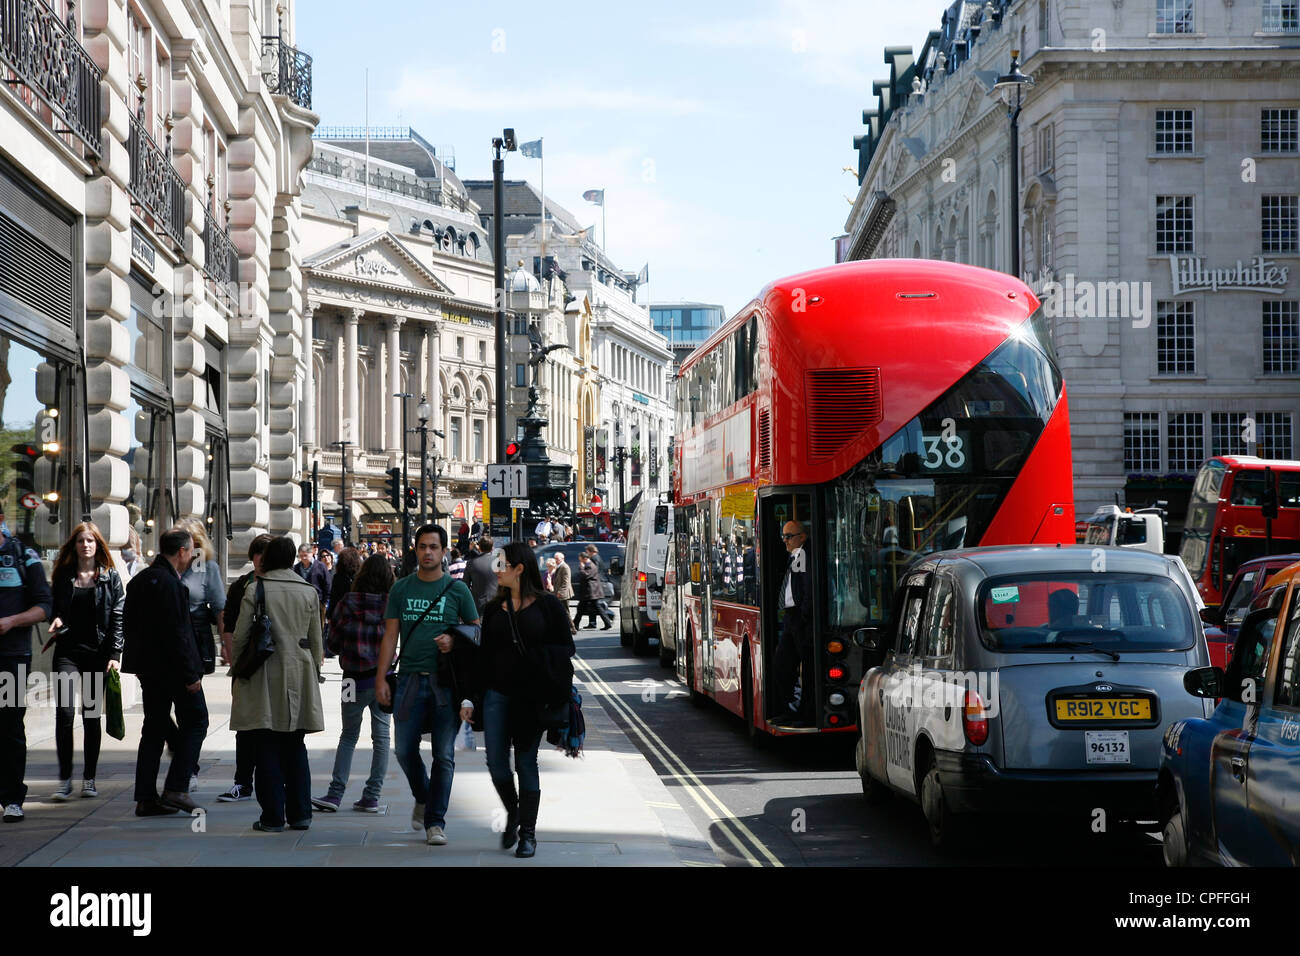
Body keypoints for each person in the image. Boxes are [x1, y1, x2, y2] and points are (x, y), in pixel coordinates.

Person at [374, 524, 480, 846]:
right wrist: (380, 677)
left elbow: (475, 633)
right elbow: (391, 635)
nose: (428, 552)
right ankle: (423, 795)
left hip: (445, 684)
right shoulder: (402, 589)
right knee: (404, 750)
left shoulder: (457, 590)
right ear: (415, 550)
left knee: (444, 755)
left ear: (444, 551)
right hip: (407, 680)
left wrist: (454, 640)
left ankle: (435, 822)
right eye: (422, 547)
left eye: (433, 547)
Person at [478, 542, 574, 858]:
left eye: (502, 564)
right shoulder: (493, 609)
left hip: (532, 698)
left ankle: (528, 836)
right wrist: (470, 697)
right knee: (495, 763)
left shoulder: (548, 606)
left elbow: (566, 650)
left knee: (524, 762)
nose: (497, 569)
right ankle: (513, 812)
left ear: (519, 568)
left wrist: (537, 659)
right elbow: (484, 655)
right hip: (496, 695)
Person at [230, 536, 324, 832]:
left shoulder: (257, 588)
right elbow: (316, 641)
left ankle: (272, 816)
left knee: (266, 743)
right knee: (295, 744)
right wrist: (316, 670)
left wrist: (237, 669)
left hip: (264, 671)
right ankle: (301, 814)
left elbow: (242, 634)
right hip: (299, 670)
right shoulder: (308, 590)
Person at [122, 528, 207, 816]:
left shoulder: (140, 581)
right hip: (173, 670)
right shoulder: (170, 585)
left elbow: (130, 626)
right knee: (197, 721)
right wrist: (190, 675)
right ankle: (177, 788)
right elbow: (177, 634)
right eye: (191, 551)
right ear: (182, 551)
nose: (191, 557)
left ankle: (146, 797)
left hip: (149, 669)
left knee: (154, 729)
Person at [46, 522, 124, 801]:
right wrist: (54, 619)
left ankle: (89, 778)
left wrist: (115, 654)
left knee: (91, 716)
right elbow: (54, 607)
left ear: (98, 544)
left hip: (97, 654)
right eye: (81, 540)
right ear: (74, 545)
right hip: (67, 650)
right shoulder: (64, 575)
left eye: (90, 540)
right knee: (65, 714)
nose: (86, 545)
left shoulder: (110, 577)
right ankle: (65, 779)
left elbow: (118, 616)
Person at [313, 554, 394, 813]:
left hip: (352, 678)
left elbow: (333, 642)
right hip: (382, 679)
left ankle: (335, 794)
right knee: (381, 738)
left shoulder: (348, 602)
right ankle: (372, 795)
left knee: (348, 735)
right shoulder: (391, 604)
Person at [215, 533, 274, 802]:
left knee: (274, 724)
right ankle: (242, 781)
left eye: (266, 553)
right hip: (247, 664)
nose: (261, 559)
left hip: (273, 664)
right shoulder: (241, 585)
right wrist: (231, 654)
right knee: (245, 724)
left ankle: (273, 779)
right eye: (257, 553)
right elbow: (228, 620)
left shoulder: (281, 584)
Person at [772, 521, 813, 727]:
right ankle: (790, 709)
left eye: (789, 536)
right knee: (782, 665)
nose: (785, 540)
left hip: (799, 618)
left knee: (804, 668)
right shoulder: (796, 555)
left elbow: (808, 588)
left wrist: (804, 615)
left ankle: (803, 713)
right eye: (784, 536)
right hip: (790, 617)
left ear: (802, 537)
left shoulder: (805, 555)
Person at [179, 518, 224, 682]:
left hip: (195, 642)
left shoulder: (208, 568)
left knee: (191, 697)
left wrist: (226, 645)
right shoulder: (167, 566)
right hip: (168, 641)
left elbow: (220, 608)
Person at [465, 537, 497, 613]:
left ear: (479, 548)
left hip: (477, 605)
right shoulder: (499, 562)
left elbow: (465, 585)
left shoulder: (471, 563)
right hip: (497, 603)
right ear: (492, 548)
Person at [551, 552, 576, 634]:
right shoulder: (559, 567)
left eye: (557, 559)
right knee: (562, 611)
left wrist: (560, 592)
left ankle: (572, 628)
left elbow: (566, 582)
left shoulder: (565, 567)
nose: (555, 560)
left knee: (565, 611)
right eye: (555, 558)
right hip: (559, 592)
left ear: (562, 559)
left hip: (563, 594)